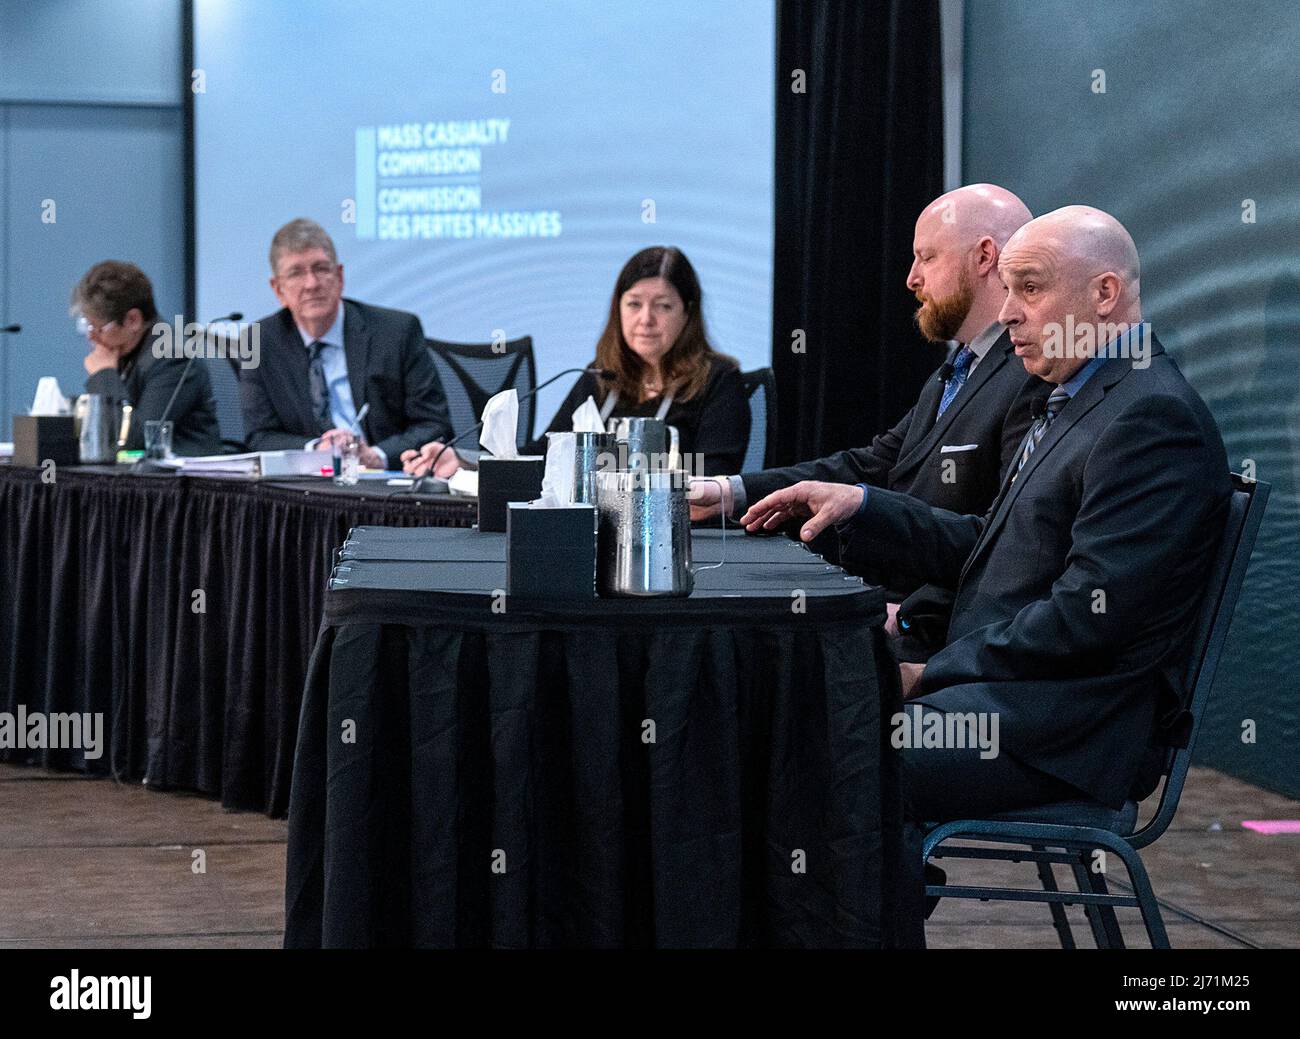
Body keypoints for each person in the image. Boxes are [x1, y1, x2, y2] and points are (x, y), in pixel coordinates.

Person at [741, 206, 1232, 825]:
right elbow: (994, 546)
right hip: (1007, 698)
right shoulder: (1083, 395)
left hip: (1059, 731)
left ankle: (867, 917)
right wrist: (863, 505)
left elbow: (1088, 617)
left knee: (819, 751)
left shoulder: (1151, 419)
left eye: (1030, 288)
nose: (1006, 312)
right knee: (781, 718)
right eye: (1007, 289)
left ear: (1105, 293)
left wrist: (925, 673)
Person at [691, 184, 1049, 604]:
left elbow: (1006, 546)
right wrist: (730, 491)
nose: (912, 279)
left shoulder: (1032, 370)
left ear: (985, 256)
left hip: (939, 626)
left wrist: (913, 618)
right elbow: (876, 463)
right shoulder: (958, 369)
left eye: (927, 257)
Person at [407, 246, 750, 480]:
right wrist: (468, 460)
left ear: (687, 312)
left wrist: (595, 462)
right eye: (633, 304)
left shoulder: (719, 380)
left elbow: (711, 473)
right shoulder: (601, 376)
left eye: (663, 306)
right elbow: (546, 453)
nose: (646, 319)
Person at [241, 218, 456, 472]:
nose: (311, 284)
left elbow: (434, 426)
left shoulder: (396, 332)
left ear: (340, 276)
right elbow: (259, 437)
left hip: (387, 483)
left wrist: (376, 456)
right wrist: (317, 450)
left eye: (321, 268)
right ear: (278, 289)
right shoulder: (260, 341)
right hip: (308, 487)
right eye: (296, 273)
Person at [72, 261, 222, 457]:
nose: (91, 337)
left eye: (98, 328)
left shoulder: (173, 356)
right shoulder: (122, 351)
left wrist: (103, 376)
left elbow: (136, 440)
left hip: (184, 479)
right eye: (87, 325)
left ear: (133, 320)